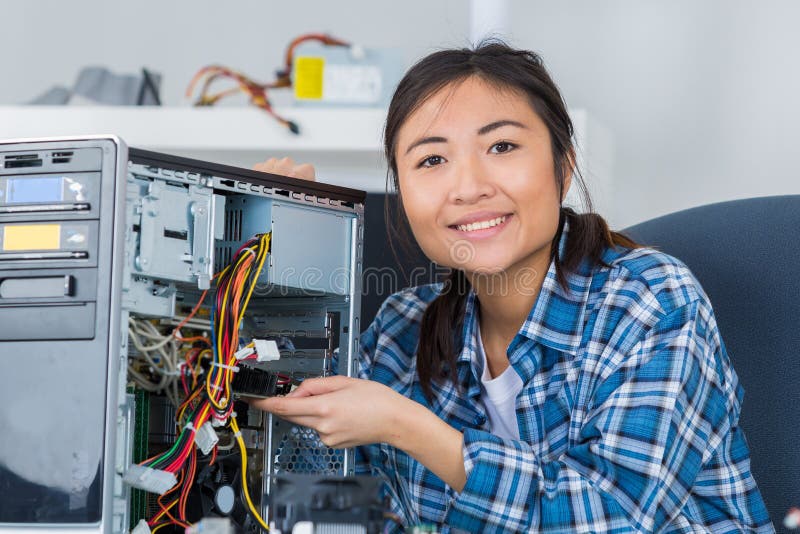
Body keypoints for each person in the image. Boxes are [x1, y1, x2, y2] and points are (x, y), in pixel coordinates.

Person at [251, 42, 773, 532]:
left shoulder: (650, 303)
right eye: (432, 160)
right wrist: (282, 272)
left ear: (563, 167)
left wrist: (405, 426)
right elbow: (337, 508)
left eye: (502, 146)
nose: (469, 187)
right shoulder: (401, 331)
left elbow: (611, 517)